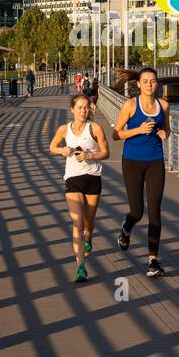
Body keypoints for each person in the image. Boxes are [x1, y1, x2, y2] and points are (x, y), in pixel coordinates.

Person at [113, 66, 169, 277]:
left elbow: (168, 129)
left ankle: (152, 261)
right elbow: (116, 134)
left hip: (155, 161)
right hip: (132, 161)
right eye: (145, 81)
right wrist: (138, 130)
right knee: (137, 211)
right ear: (138, 84)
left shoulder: (163, 105)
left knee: (154, 211)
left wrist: (165, 133)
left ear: (157, 84)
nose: (149, 85)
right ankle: (126, 229)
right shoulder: (130, 105)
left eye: (153, 81)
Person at [49, 93, 110, 283]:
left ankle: (88, 239)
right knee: (77, 222)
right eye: (80, 107)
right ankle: (81, 267)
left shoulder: (96, 128)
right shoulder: (64, 129)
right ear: (72, 110)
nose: (84, 111)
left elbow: (106, 152)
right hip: (73, 179)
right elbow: (52, 146)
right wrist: (62, 150)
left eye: (86, 107)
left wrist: (89, 156)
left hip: (92, 178)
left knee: (88, 225)